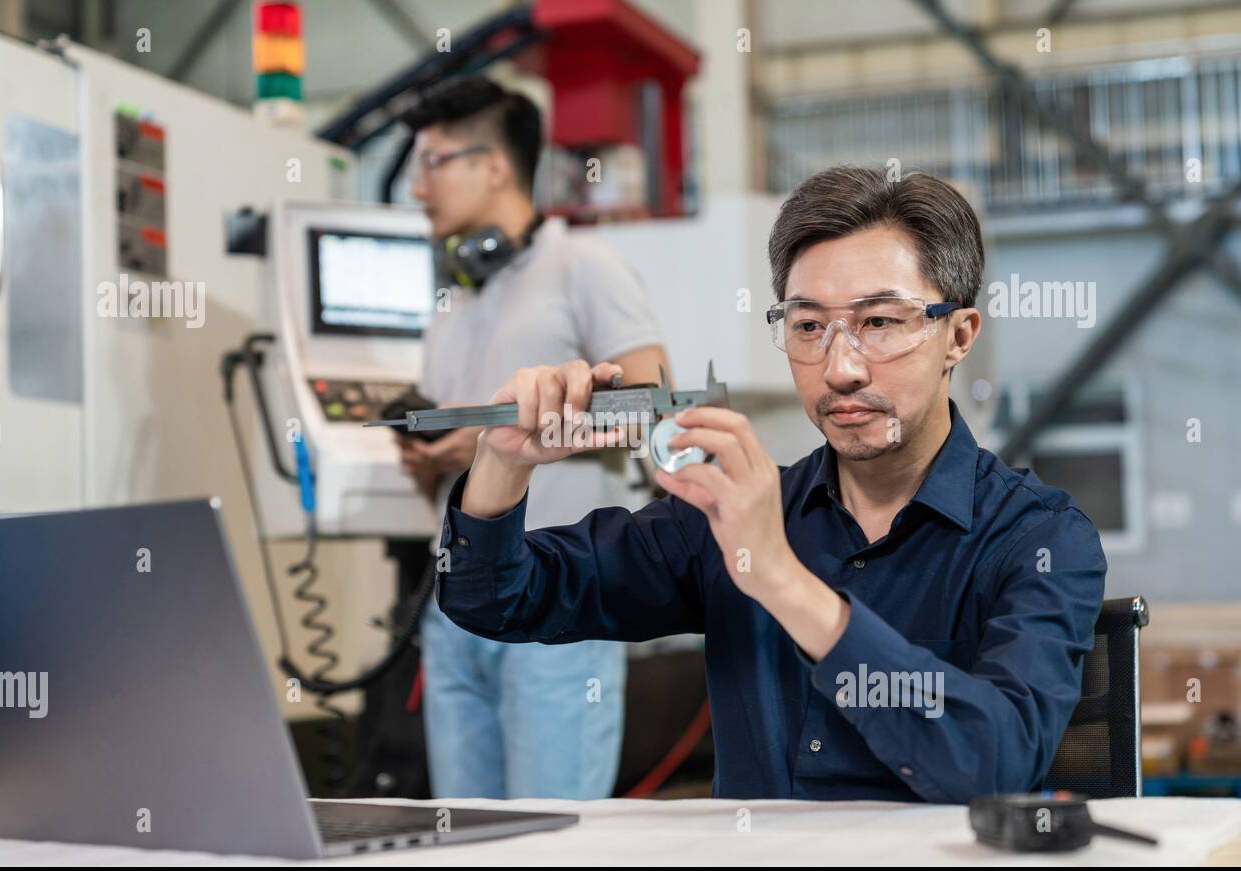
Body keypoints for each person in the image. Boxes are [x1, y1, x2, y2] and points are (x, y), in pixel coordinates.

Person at [432, 166, 1109, 802]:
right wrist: (503, 461)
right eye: (809, 326)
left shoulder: (1040, 538)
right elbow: (493, 600)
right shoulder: (725, 517)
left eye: (878, 323)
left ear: (958, 334)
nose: (840, 367)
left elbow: (993, 759)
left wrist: (778, 576)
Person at [398, 76, 669, 799]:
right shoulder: (450, 310)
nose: (418, 187)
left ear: (492, 166)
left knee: (557, 841)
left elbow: (651, 405)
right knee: (462, 839)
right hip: (456, 605)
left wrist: (506, 444)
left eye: (432, 162)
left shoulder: (583, 267)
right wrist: (437, 459)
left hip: (556, 601)